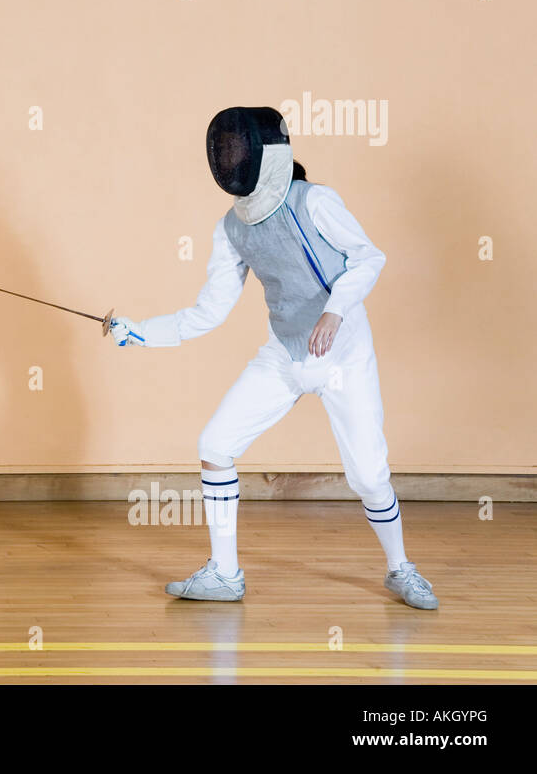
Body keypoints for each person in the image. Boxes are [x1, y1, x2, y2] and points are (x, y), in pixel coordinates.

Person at [107, 107, 438, 610]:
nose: (232, 159)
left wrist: (334, 312)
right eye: (227, 151)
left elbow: (369, 257)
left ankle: (401, 569)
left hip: (344, 355)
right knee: (215, 444)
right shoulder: (231, 228)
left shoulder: (316, 201)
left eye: (240, 149)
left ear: (267, 153)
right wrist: (139, 332)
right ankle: (223, 574)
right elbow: (209, 311)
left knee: (369, 476)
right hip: (284, 354)